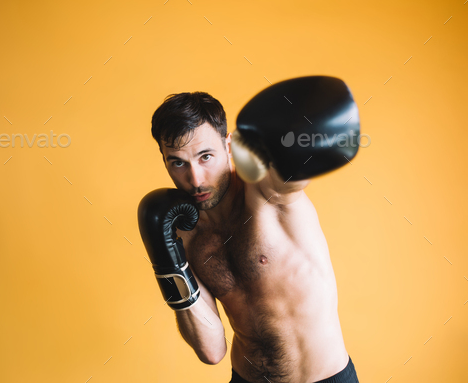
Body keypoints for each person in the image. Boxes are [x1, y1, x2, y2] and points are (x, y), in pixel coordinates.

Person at [137, 76, 361, 383]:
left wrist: (303, 139)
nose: (196, 178)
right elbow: (212, 350)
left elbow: (291, 179)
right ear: (164, 161)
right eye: (177, 163)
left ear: (228, 145)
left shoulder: (265, 193)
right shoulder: (185, 234)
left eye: (206, 156)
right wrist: (167, 264)